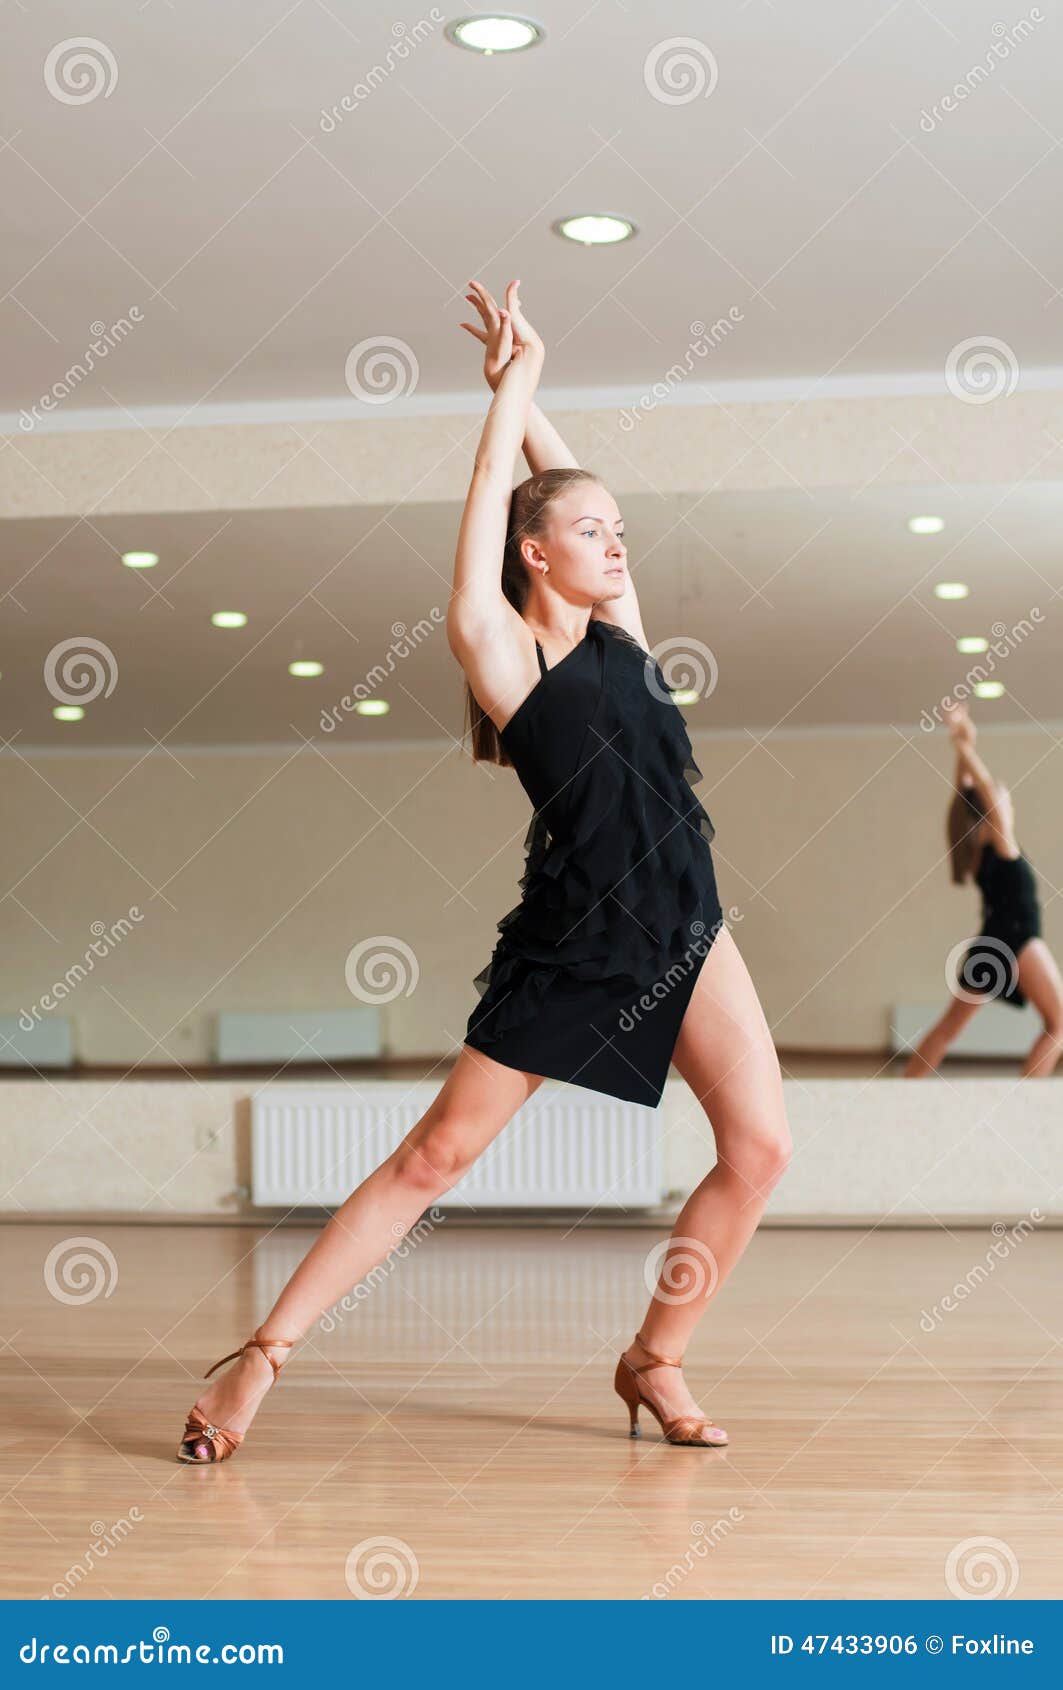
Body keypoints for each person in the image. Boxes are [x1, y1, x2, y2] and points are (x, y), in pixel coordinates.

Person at [175, 281, 791, 1464]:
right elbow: (488, 503)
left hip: (686, 919)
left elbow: (558, 486)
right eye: (591, 531)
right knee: (436, 1155)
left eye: (621, 529)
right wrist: (505, 400)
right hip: (574, 937)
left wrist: (534, 390)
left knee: (758, 1149)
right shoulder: (498, 650)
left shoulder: (627, 639)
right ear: (531, 551)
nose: (615, 543)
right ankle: (261, 1356)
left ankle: (652, 1358)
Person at [903, 700, 1061, 1078]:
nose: (1004, 795)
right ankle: (1027, 1097)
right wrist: (964, 747)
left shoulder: (979, 855)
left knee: (947, 1030)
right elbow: (982, 792)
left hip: (993, 943)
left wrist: (963, 742)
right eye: (1000, 797)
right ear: (990, 815)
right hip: (1019, 940)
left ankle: (902, 1088)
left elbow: (968, 798)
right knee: (1059, 1025)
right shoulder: (1002, 845)